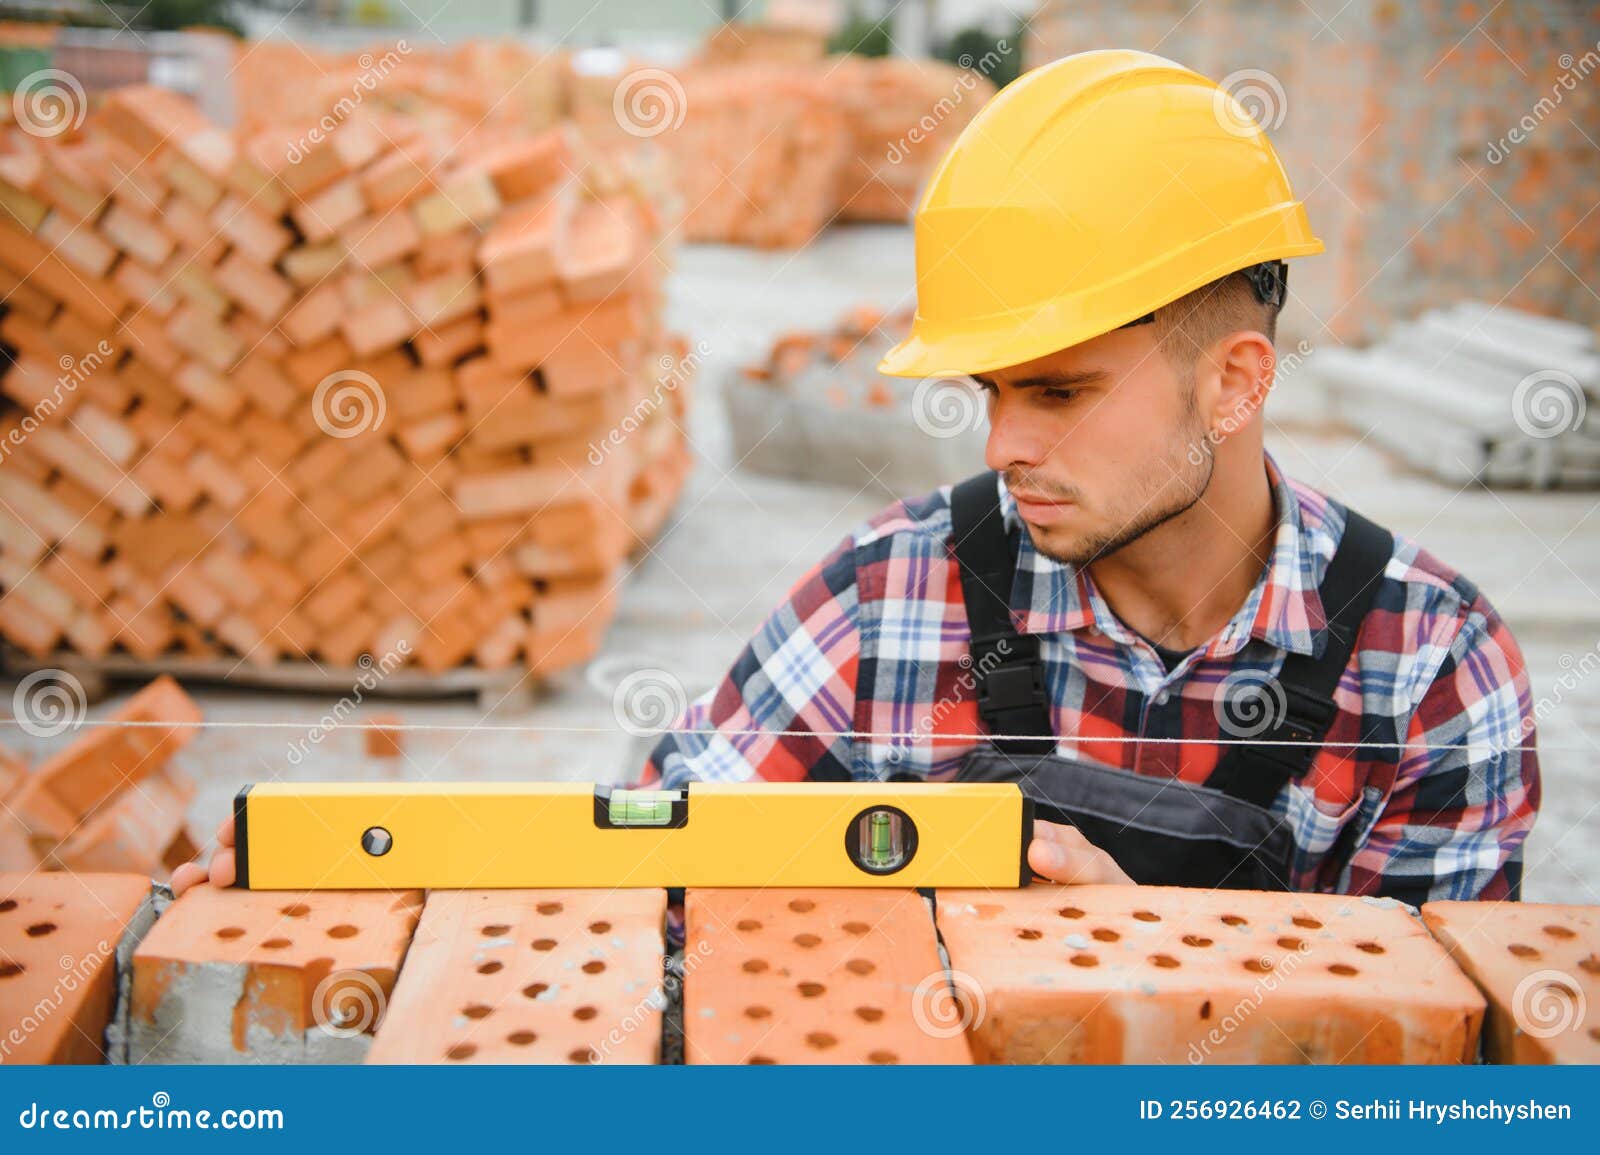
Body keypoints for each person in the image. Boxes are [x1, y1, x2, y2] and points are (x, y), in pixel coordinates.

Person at [173, 49, 1538, 901]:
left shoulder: (1427, 666)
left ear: (1235, 381)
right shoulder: (897, 594)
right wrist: (357, 863)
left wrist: (1151, 967)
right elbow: (658, 844)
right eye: (991, 391)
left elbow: (1424, 1065)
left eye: (1059, 391)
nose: (1004, 446)